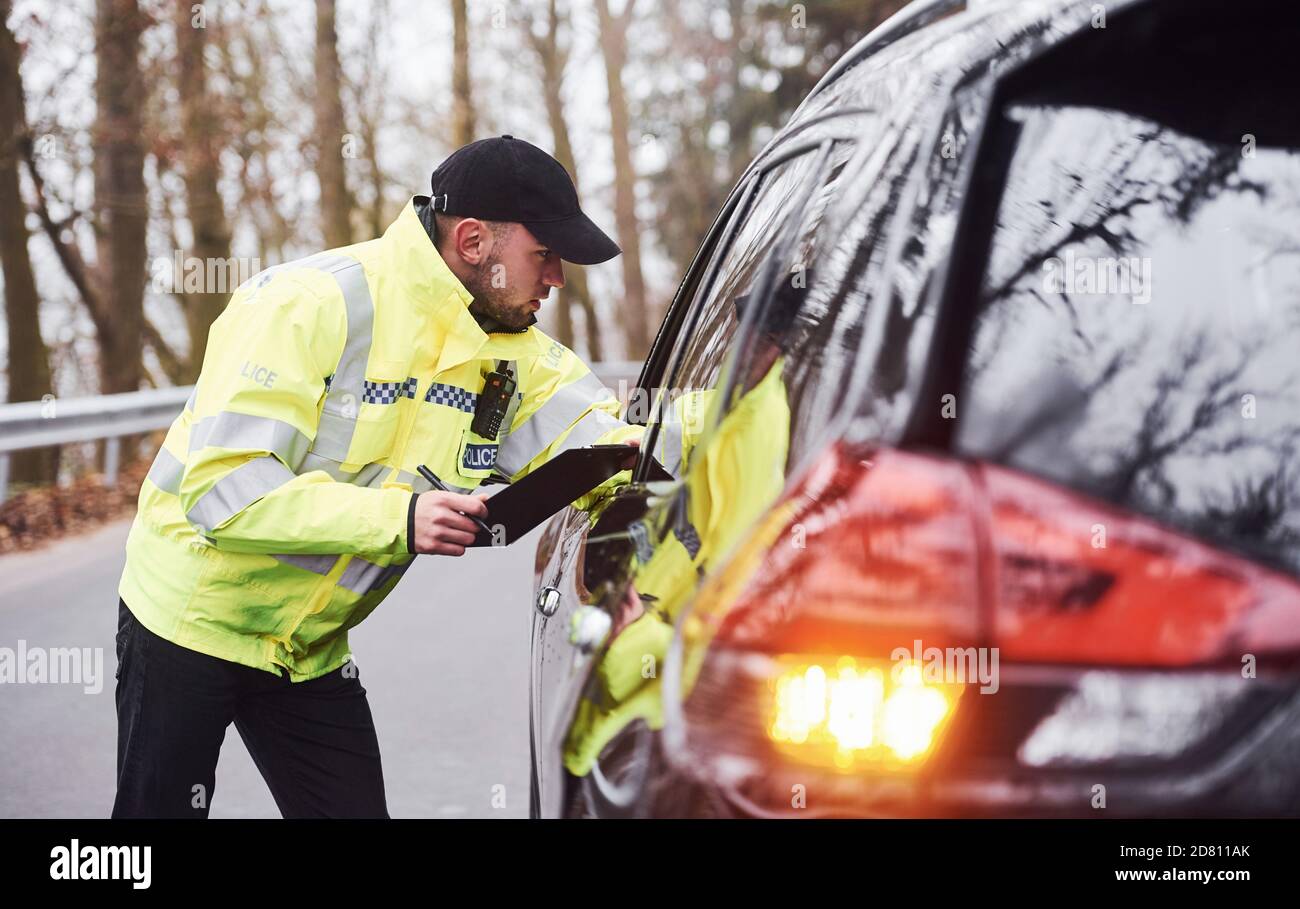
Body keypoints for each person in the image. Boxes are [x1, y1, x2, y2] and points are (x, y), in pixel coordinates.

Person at [113, 135, 643, 818]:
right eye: (546, 255)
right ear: (475, 241)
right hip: (188, 624)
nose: (557, 279)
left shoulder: (516, 354)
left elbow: (616, 444)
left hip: (305, 649)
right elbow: (225, 490)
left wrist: (763, 393)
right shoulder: (306, 304)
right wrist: (399, 519)